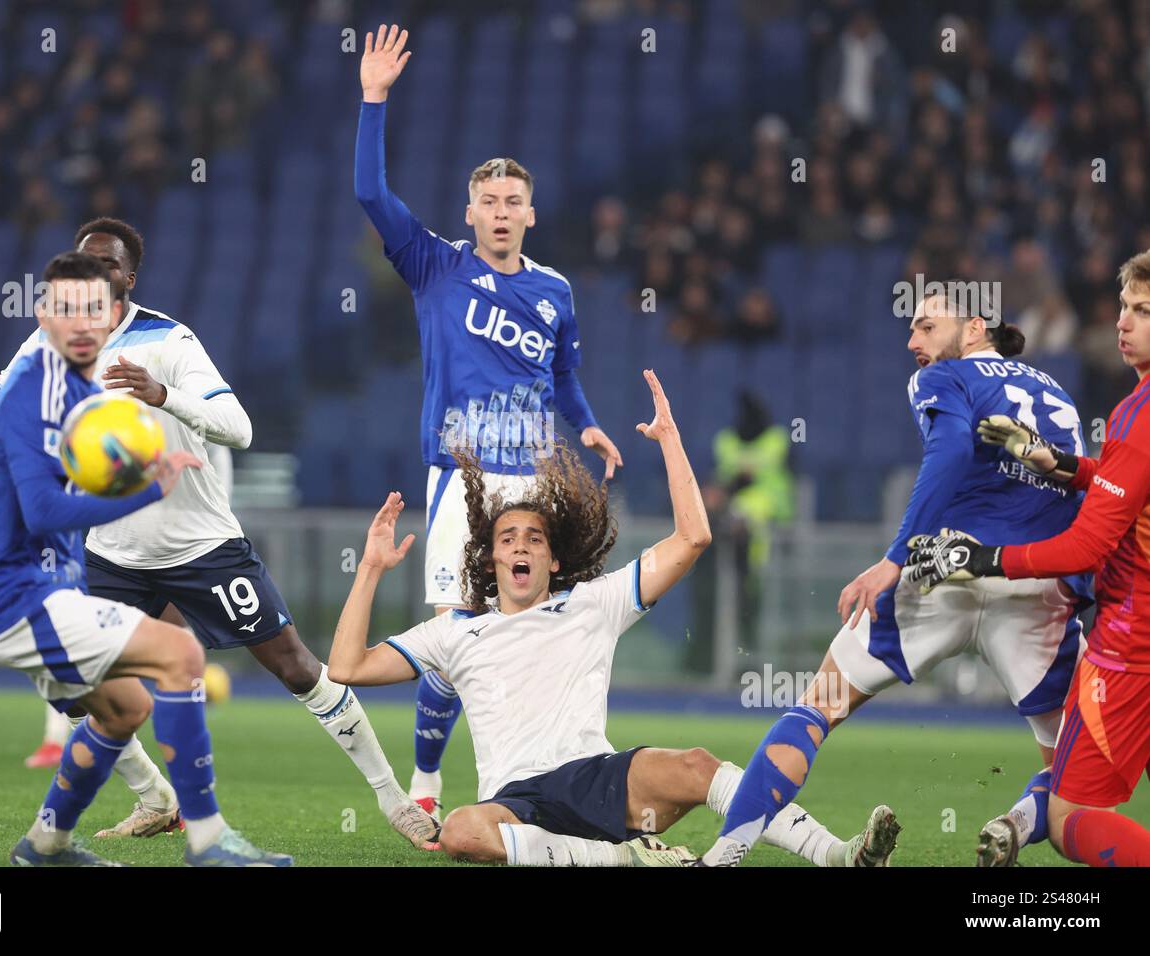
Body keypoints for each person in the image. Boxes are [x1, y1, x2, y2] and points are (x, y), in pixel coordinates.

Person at [0, 217, 437, 847]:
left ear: (129, 278)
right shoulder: (49, 341)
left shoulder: (168, 339)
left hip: (200, 546)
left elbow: (239, 427)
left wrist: (162, 394)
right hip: (111, 553)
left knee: (295, 666)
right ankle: (156, 798)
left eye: (109, 264)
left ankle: (394, 800)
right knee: (70, 683)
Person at [327, 370, 896, 867]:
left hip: (599, 781)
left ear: (554, 559)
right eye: (508, 539)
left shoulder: (592, 602)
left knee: (697, 765)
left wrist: (671, 442)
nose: (521, 546)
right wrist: (370, 568)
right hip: (516, 801)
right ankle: (622, 857)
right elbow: (347, 667)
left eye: (534, 539)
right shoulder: (456, 630)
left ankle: (840, 855)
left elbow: (693, 538)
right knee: (461, 831)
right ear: (491, 557)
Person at [705, 291, 1089, 867]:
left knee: (818, 705)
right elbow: (1083, 494)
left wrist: (893, 557)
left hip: (944, 568)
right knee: (1069, 769)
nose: (913, 342)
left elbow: (951, 450)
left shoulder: (943, 377)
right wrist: (1077, 590)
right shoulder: (1058, 394)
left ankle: (723, 855)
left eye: (927, 326)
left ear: (974, 328)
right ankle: (1017, 822)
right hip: (1035, 587)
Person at [356, 23, 622, 816]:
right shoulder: (434, 265)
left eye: (513, 202)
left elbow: (562, 374)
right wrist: (373, 99)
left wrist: (589, 424)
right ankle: (427, 783)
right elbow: (371, 194)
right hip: (462, 480)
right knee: (456, 634)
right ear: (468, 212)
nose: (501, 213)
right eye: (489, 202)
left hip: (536, 478)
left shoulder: (555, 291)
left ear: (530, 214)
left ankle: (551, 767)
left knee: (548, 629)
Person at [0, 250, 288, 865]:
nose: (86, 322)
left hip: (34, 591)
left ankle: (46, 844)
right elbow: (44, 512)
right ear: (46, 317)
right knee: (181, 655)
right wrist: (143, 491)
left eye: (96, 308)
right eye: (70, 309)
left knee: (126, 708)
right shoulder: (32, 393)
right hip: (9, 595)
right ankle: (209, 840)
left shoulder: (79, 394)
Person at [909, 250, 1150, 866]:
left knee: (1071, 819)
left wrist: (984, 559)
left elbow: (1086, 546)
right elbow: (1128, 483)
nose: (1122, 322)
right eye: (1124, 306)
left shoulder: (1138, 414)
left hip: (1133, 648)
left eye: (1143, 311)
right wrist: (1060, 463)